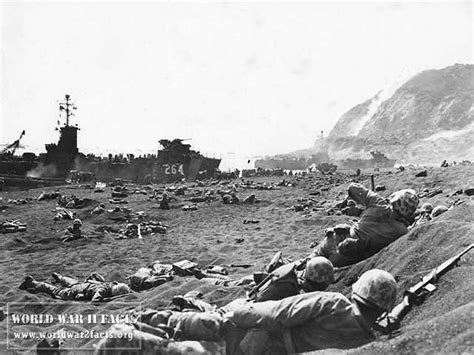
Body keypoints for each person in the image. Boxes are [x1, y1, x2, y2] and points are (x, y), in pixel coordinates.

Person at [96, 269, 397, 355]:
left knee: (129, 336)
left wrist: (234, 312)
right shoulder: (368, 338)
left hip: (249, 340)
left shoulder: (333, 303)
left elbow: (275, 314)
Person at [311, 183, 419, 266]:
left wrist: (372, 197)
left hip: (335, 239)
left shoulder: (378, 203)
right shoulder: (401, 231)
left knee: (307, 264)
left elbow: (352, 188)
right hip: (348, 256)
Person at [19, 272, 130, 302]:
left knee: (71, 282)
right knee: (56, 291)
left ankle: (59, 277)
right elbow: (95, 301)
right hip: (76, 291)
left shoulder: (109, 284)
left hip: (82, 285)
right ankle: (33, 283)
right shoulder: (103, 290)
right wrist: (110, 299)